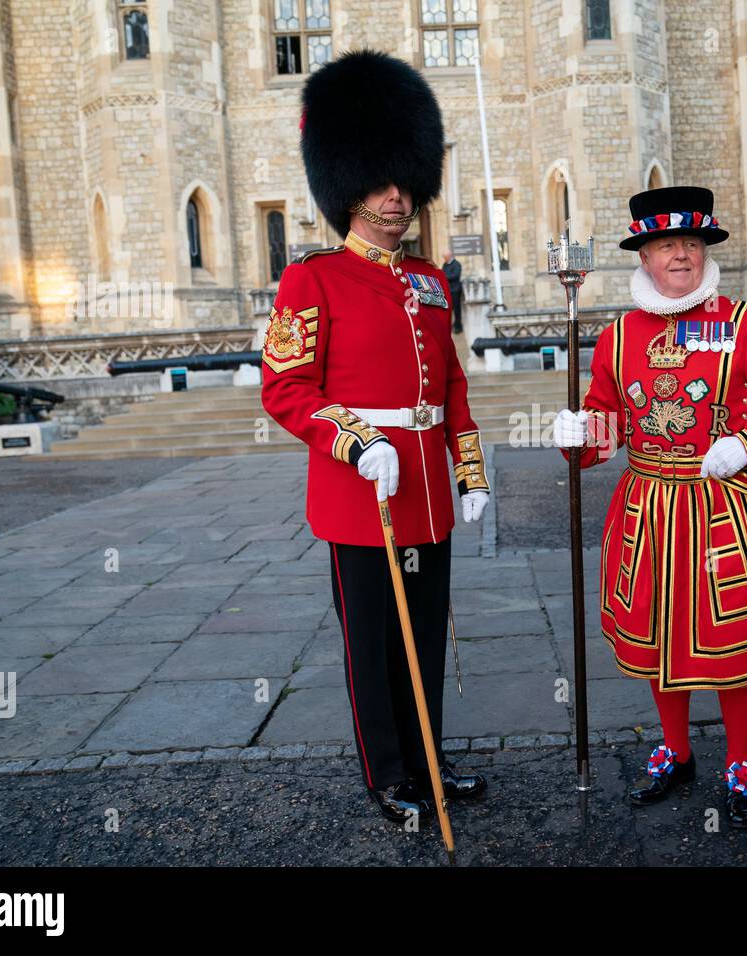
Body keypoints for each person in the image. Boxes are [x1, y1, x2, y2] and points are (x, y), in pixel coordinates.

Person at [261, 48, 490, 826]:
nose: (396, 201)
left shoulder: (427, 281)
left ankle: (430, 758)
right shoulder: (312, 279)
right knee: (373, 645)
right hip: (363, 493)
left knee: (426, 637)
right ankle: (388, 772)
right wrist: (358, 442)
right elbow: (286, 387)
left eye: (405, 185)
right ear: (347, 185)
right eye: (381, 186)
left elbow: (450, 385)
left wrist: (472, 472)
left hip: (426, 490)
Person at [553, 186, 747, 828]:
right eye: (667, 244)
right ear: (644, 255)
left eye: (692, 244)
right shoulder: (619, 335)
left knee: (730, 638)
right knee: (653, 633)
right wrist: (578, 436)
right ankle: (675, 750)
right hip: (646, 509)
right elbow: (605, 423)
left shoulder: (743, 324)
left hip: (722, 510)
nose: (682, 255)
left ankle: (737, 759)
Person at [442, 250, 464, 334]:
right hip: (447, 290)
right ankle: (449, 326)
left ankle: (458, 326)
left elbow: (455, 275)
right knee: (448, 309)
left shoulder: (456, 264)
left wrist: (445, 277)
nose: (444, 259)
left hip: (455, 290)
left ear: (449, 256)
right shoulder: (445, 264)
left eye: (445, 257)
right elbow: (442, 272)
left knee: (457, 309)